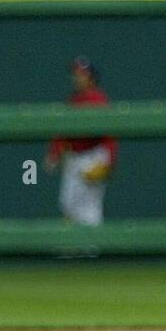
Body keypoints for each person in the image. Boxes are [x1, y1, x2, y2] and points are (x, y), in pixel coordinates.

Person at [45, 57, 118, 227]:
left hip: (93, 156)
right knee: (68, 205)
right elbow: (63, 131)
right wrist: (54, 153)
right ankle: (71, 251)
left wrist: (109, 161)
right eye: (75, 74)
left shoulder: (99, 100)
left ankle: (89, 251)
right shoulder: (73, 101)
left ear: (91, 77)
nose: (77, 77)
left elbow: (110, 134)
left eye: (82, 74)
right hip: (73, 158)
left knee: (89, 209)